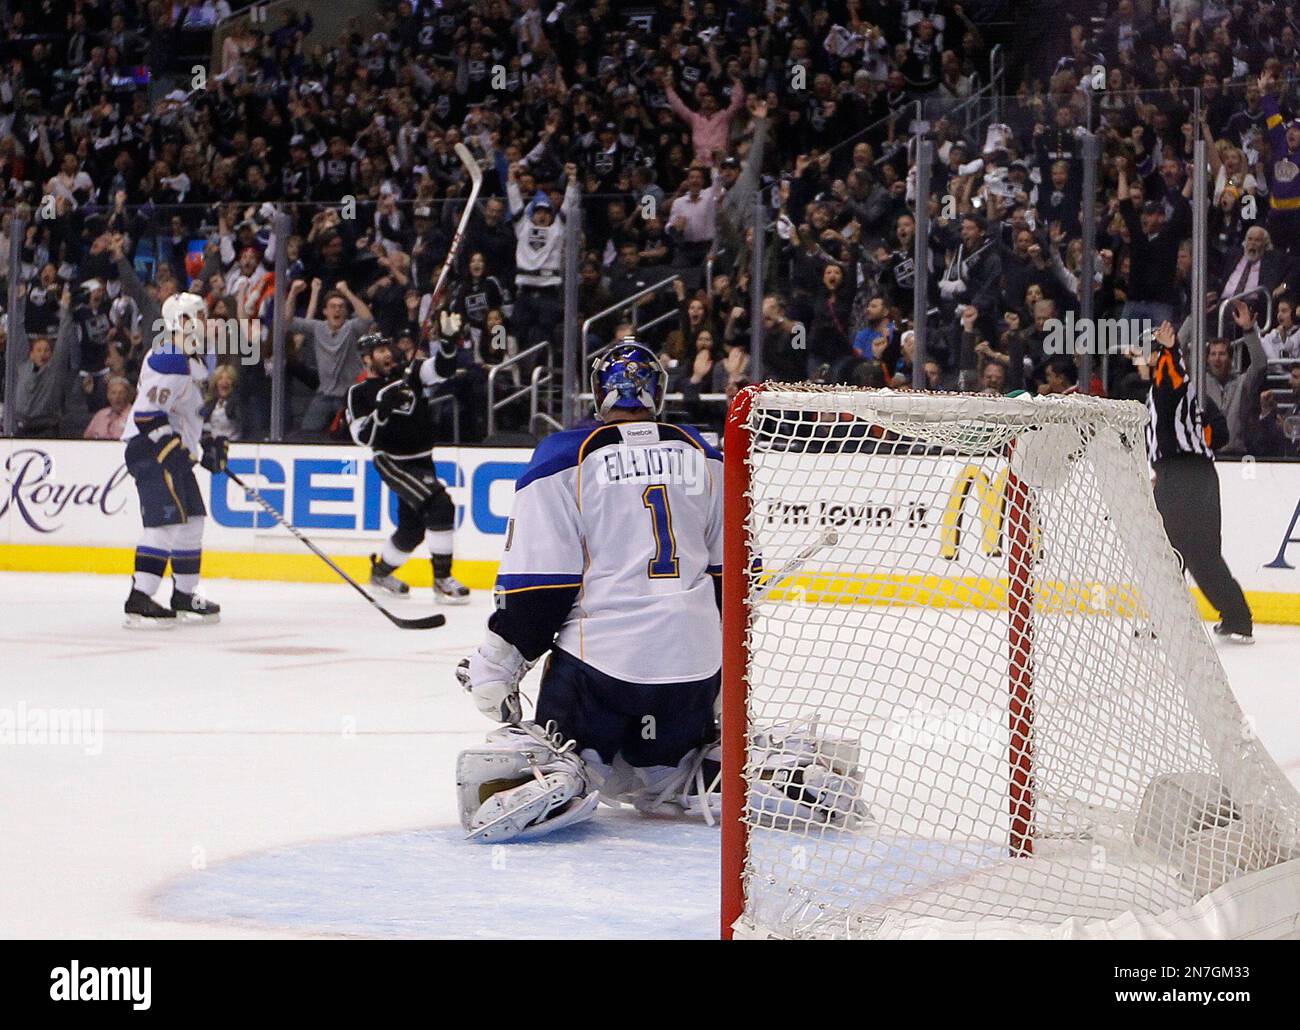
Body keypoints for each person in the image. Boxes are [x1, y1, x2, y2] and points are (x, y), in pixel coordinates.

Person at [453, 340, 725, 841]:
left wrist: (497, 664)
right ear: (657, 394)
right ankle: (690, 767)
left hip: (603, 677)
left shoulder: (563, 456)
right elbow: (728, 581)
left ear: (599, 393)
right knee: (669, 754)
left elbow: (540, 587)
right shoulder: (705, 454)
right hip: (695, 674)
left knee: (566, 739)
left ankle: (565, 769)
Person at [1137, 321, 1254, 644]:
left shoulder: (1167, 380)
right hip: (1195, 475)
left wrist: (1170, 347)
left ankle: (1168, 621)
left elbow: (1171, 375)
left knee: (1169, 551)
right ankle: (1237, 618)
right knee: (1202, 554)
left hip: (1183, 476)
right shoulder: (1166, 390)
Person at [121, 293, 226, 628]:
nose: (206, 322)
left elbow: (193, 413)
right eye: (200, 316)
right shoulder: (169, 356)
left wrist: (207, 443)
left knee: (192, 520)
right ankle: (140, 598)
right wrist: (171, 450)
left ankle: (184, 594)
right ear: (181, 322)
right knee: (165, 523)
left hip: (170, 451)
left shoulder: (194, 360)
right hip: (150, 449)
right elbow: (147, 415)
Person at [345, 326, 470, 605]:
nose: (387, 353)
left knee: (412, 530)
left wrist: (448, 343)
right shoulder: (359, 393)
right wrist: (383, 409)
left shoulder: (412, 372)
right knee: (440, 506)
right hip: (393, 461)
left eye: (388, 348)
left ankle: (380, 573)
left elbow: (444, 368)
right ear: (367, 359)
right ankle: (441, 580)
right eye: (379, 351)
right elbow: (362, 438)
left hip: (423, 458)